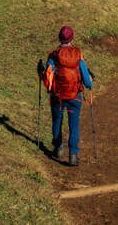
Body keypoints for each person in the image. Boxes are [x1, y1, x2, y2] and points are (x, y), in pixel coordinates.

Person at [39, 25, 94, 165]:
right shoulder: (78, 55)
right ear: (72, 38)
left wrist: (40, 70)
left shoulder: (54, 56)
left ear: (59, 38)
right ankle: (73, 155)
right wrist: (90, 83)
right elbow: (88, 82)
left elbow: (47, 76)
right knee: (74, 125)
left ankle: (58, 148)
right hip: (75, 97)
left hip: (58, 98)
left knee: (57, 121)